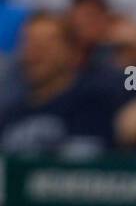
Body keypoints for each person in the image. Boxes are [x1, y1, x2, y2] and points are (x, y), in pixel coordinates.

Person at [0, 10, 129, 153]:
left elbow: (82, 166)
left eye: (45, 45)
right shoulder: (11, 112)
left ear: (72, 52)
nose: (33, 53)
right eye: (28, 43)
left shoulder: (92, 101)